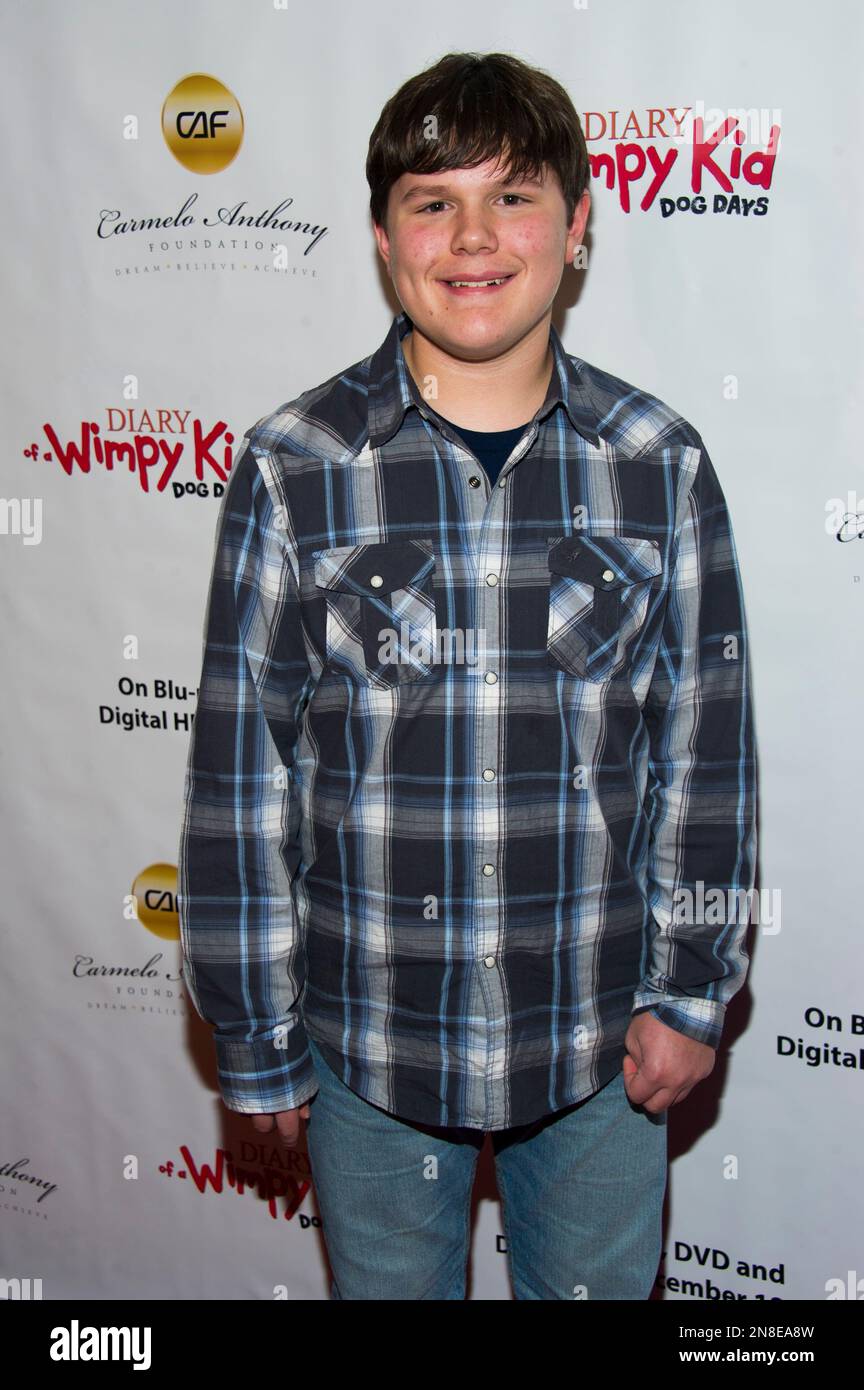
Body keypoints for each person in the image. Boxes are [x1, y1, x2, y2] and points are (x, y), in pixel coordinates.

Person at [177, 50, 757, 1300]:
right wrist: (260, 1042)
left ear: (578, 228)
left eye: (515, 196)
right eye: (433, 202)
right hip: (371, 1044)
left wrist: (692, 991)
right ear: (386, 238)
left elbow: (705, 761)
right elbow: (243, 777)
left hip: (604, 1044)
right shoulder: (295, 468)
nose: (474, 237)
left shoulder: (661, 464)